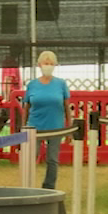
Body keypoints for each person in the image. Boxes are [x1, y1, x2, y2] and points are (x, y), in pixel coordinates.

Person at [22, 50, 72, 189]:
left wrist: (69, 128)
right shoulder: (32, 85)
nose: (48, 66)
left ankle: (49, 186)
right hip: (34, 127)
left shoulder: (61, 84)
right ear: (39, 65)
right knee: (31, 157)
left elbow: (66, 107)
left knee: (52, 159)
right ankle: (28, 186)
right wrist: (23, 127)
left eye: (51, 63)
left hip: (56, 127)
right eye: (46, 63)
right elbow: (26, 107)